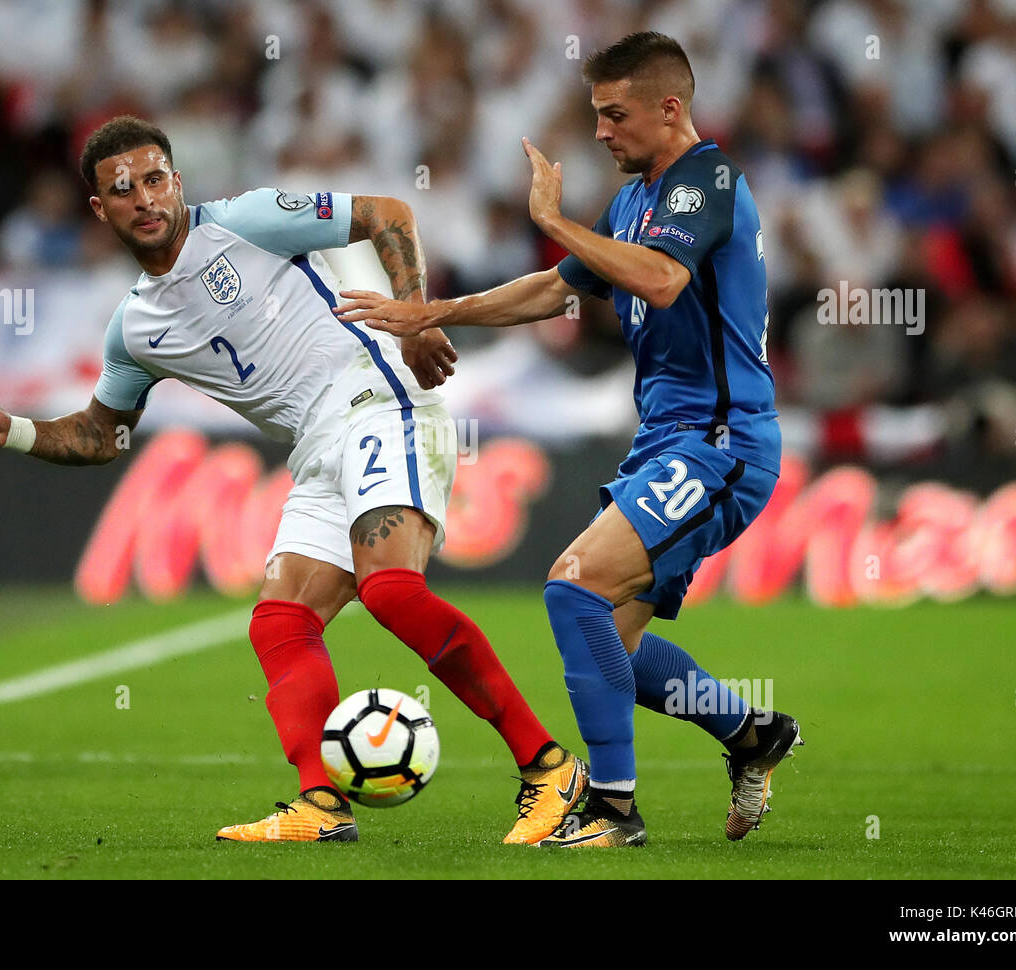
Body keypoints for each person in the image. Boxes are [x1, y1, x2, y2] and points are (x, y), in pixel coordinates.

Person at [0, 116, 586, 845]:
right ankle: (320, 803)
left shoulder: (246, 221)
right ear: (101, 210)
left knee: (389, 590)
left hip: (380, 404)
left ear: (177, 181)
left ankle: (550, 768)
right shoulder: (134, 328)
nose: (145, 199)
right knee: (280, 620)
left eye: (156, 179)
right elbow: (103, 434)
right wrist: (18, 432)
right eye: (123, 190)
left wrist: (412, 316)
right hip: (315, 449)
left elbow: (387, 213)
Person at [335, 33, 802, 848]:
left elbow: (660, 281)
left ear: (670, 106)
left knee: (573, 586)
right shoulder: (636, 201)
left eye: (614, 114)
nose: (599, 132)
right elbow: (556, 289)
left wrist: (552, 219)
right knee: (610, 643)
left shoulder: (709, 180)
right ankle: (753, 735)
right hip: (668, 442)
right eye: (595, 114)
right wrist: (431, 311)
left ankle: (613, 810)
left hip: (723, 443)